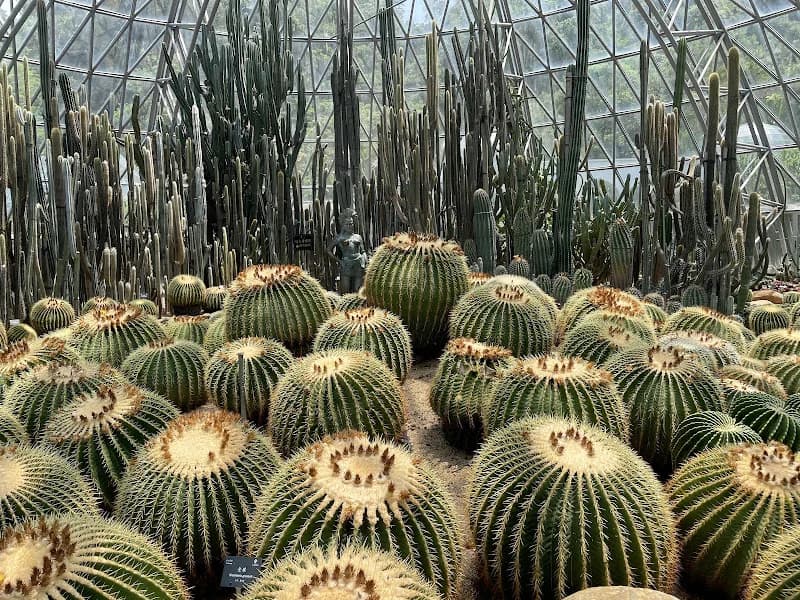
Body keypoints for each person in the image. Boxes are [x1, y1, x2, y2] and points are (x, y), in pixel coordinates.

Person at [326, 208, 367, 293]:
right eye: (347, 224)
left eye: (351, 224)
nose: (350, 226)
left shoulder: (358, 237)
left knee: (358, 290)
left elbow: (363, 251)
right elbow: (328, 250)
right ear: (343, 225)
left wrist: (364, 260)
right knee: (345, 290)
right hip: (346, 264)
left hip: (358, 264)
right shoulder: (339, 238)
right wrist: (339, 261)